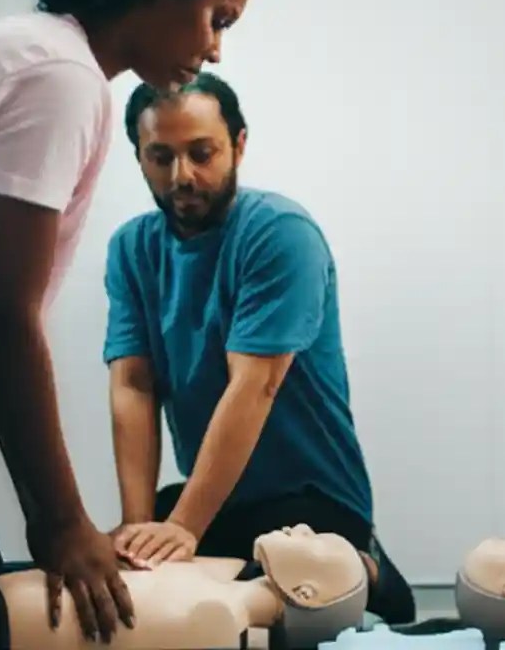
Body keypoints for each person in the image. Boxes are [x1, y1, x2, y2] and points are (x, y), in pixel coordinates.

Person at [0, 0, 255, 642]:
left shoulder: (34, 51)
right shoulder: (58, 75)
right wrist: (62, 522)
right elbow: (1, 313)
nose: (216, 48)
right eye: (216, 17)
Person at [103, 71, 415, 625]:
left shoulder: (279, 232)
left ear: (239, 145)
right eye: (160, 157)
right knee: (137, 585)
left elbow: (256, 384)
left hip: (310, 501)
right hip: (214, 498)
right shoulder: (132, 248)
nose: (182, 176)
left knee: (284, 592)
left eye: (202, 153)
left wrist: (183, 528)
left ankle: (373, 577)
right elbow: (133, 384)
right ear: (139, 157)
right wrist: (140, 528)